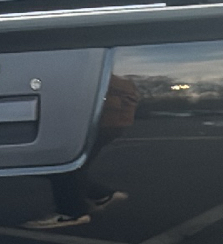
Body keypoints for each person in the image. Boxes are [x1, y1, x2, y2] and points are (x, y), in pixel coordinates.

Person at [23, 75, 138, 229]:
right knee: (69, 165)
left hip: (97, 124)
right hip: (109, 125)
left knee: (66, 164)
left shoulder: (99, 75)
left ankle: (71, 212)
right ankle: (101, 195)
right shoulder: (119, 81)